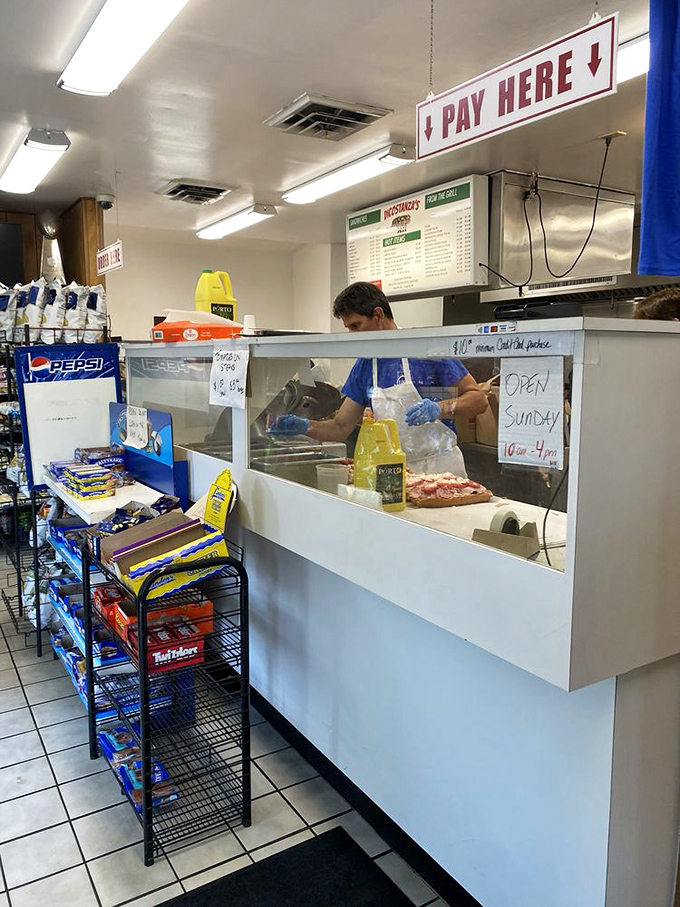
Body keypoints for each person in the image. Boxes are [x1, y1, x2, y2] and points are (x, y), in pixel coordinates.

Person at [271, 282, 487, 475]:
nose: (352, 335)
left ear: (378, 315)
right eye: (348, 329)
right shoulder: (366, 364)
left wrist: (440, 408)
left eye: (356, 326)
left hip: (441, 471)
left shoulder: (426, 350)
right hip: (393, 473)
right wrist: (305, 426)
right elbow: (340, 426)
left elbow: (478, 400)